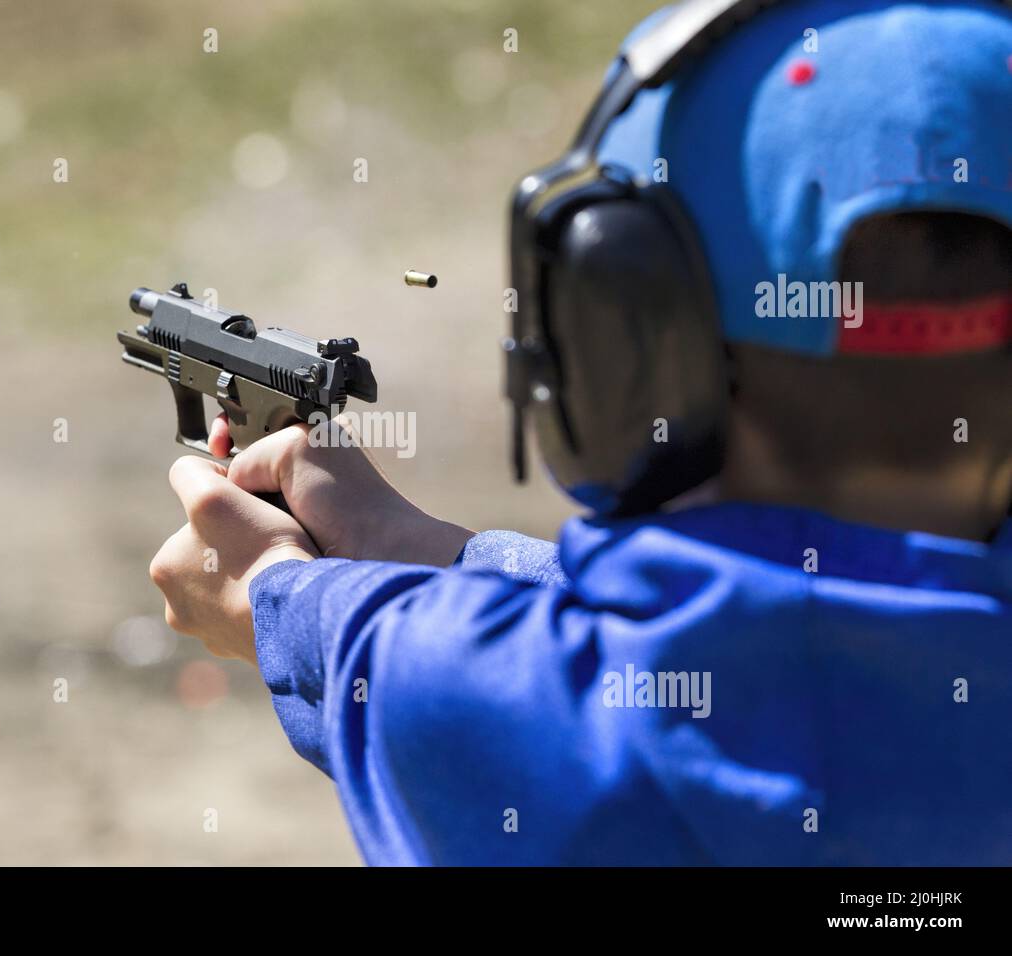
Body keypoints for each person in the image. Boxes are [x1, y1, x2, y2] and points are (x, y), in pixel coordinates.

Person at [147, 0, 1012, 864]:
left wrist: (268, 589)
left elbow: (427, 674)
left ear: (610, 357)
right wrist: (419, 544)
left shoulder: (568, 736)